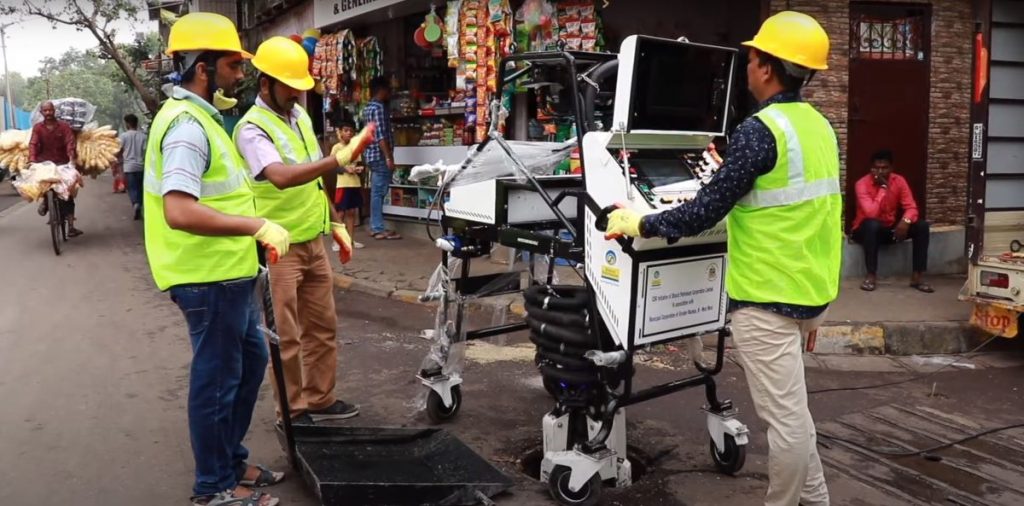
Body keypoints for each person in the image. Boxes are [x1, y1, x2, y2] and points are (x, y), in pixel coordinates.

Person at [604, 11, 837, 506]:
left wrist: (640, 222)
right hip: (809, 290)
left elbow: (703, 211)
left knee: (786, 422)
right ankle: (816, 499)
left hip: (767, 298)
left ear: (767, 68)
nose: (747, 66)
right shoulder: (819, 126)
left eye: (751, 58)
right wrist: (814, 306)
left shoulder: (760, 131)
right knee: (794, 413)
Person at [142, 12, 289, 506]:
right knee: (218, 380)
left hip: (229, 272)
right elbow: (179, 210)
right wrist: (255, 226)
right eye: (232, 65)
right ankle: (214, 487)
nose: (240, 74)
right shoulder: (187, 127)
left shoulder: (205, 118)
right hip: (207, 277)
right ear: (202, 69)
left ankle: (229, 462)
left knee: (249, 363)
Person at [234, 36, 374, 425]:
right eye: (290, 87)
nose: (297, 94)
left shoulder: (300, 117)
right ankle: (293, 413)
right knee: (287, 336)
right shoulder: (251, 128)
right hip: (279, 249)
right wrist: (338, 159)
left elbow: (314, 178)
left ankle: (320, 400)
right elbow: (280, 177)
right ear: (266, 84)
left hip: (313, 241)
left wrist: (335, 223)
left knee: (323, 327)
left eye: (300, 87)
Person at [852, 149, 932, 293]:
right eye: (876, 168)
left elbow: (911, 207)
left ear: (891, 168)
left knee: (922, 226)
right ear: (871, 169)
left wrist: (905, 221)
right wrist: (883, 189)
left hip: (888, 229)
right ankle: (871, 276)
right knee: (872, 224)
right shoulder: (861, 184)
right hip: (865, 231)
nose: (880, 172)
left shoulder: (899, 181)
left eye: (884, 168)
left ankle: (917, 277)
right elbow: (871, 213)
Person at [30, 100, 83, 237]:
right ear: (41, 112)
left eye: (50, 110)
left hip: (62, 162)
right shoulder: (38, 128)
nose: (48, 113)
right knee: (43, 184)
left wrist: (71, 157)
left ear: (54, 111)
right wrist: (32, 159)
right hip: (44, 163)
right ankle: (46, 201)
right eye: (45, 110)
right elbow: (33, 143)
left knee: (68, 193)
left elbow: (70, 142)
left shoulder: (64, 126)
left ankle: (71, 227)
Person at [361, 76, 402, 240]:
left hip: (371, 154)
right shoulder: (378, 108)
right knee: (378, 192)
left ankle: (376, 226)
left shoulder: (368, 107)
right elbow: (380, 136)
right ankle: (377, 227)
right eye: (388, 90)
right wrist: (388, 157)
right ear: (382, 90)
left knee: (376, 191)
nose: (389, 93)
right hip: (379, 155)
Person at [331, 114, 366, 251]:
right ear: (340, 132)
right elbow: (332, 166)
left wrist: (359, 169)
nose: (349, 133)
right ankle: (337, 241)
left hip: (354, 184)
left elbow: (360, 163)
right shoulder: (337, 148)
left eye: (351, 131)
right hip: (343, 185)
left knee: (352, 213)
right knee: (340, 213)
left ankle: (350, 240)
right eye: (346, 130)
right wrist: (346, 169)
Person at [118, 113, 147, 220]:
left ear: (128, 124)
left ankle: (135, 204)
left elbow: (119, 150)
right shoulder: (143, 136)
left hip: (128, 166)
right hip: (141, 166)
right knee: (139, 188)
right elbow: (145, 151)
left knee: (131, 188)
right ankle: (139, 204)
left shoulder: (123, 136)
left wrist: (118, 160)